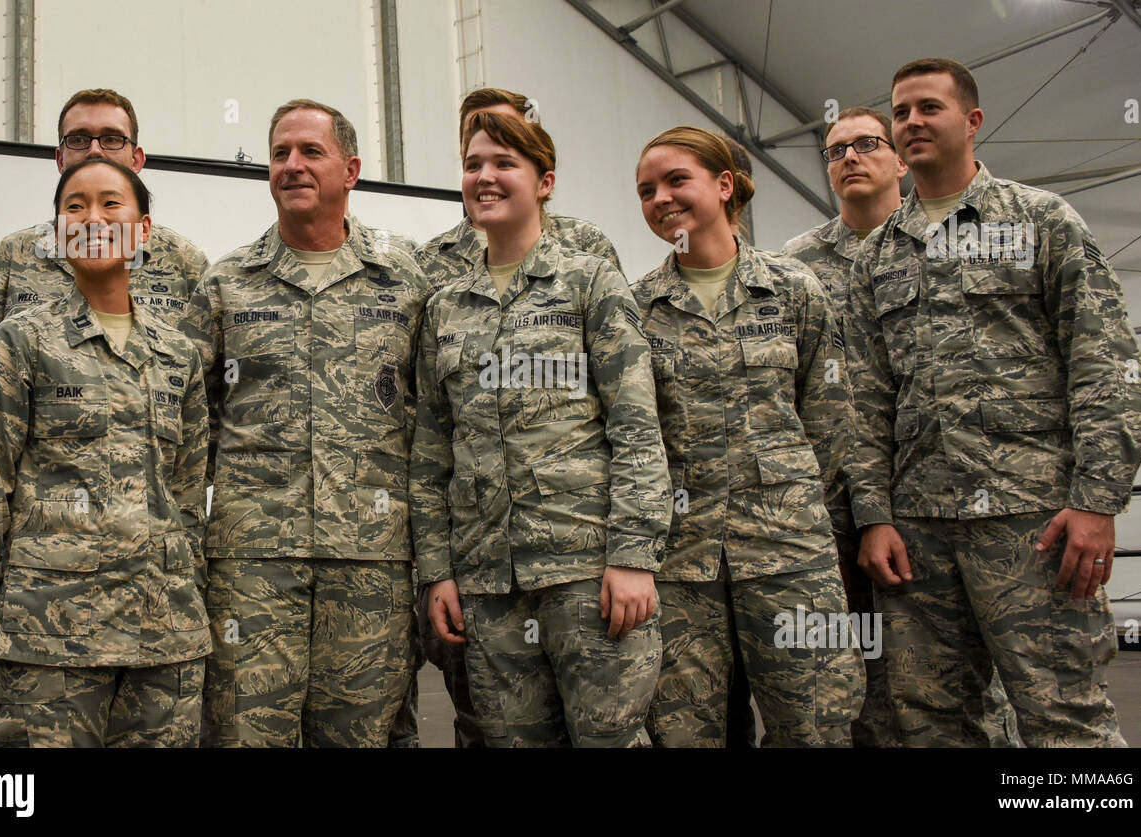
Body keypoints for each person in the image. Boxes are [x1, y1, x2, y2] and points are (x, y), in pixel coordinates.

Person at [846, 58, 1141, 747]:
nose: (912, 122)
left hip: (1033, 521)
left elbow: (1108, 364)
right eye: (901, 113)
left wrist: (1098, 500)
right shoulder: (877, 257)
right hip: (919, 531)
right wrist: (873, 516)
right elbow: (865, 402)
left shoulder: (1041, 221)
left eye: (929, 107)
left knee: (1063, 716)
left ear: (972, 121)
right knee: (930, 722)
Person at [0, 159, 211, 747]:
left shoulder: (179, 357)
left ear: (145, 229)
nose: (93, 218)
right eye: (74, 206)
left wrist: (195, 607)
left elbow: (187, 502)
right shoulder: (19, 344)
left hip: (164, 641)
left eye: (112, 203)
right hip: (48, 640)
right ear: (58, 232)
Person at [411, 110, 670, 748]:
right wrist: (437, 572)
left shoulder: (590, 282)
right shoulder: (446, 306)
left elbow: (637, 425)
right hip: (487, 582)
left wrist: (634, 556)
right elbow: (429, 452)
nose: (484, 177)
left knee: (610, 738)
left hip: (587, 570)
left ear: (544, 182)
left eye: (504, 164)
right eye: (473, 165)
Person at [184, 100, 429, 748]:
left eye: (309, 151)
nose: (292, 164)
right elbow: (188, 431)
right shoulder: (226, 284)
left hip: (371, 564)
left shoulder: (405, 278)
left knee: (365, 738)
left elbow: (432, 421)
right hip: (251, 568)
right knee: (243, 735)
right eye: (280, 153)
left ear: (351, 169)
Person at [783, 106, 1015, 748]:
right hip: (830, 508)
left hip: (931, 500)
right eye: (834, 151)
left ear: (897, 157)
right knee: (846, 675)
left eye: (864, 145)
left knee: (949, 679)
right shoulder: (795, 267)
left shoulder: (945, 241)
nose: (849, 158)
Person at [633, 126, 862, 747]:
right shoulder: (635, 309)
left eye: (676, 180)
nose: (660, 199)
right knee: (686, 733)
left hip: (790, 555)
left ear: (724, 184)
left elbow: (829, 414)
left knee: (813, 725)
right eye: (646, 190)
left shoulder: (791, 289)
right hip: (681, 563)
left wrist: (786, 498)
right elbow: (633, 436)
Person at [0, 88, 209, 407]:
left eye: (112, 139)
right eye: (78, 139)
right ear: (60, 158)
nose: (95, 151)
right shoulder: (10, 258)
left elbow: (203, 388)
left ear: (137, 158)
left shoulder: (184, 262)